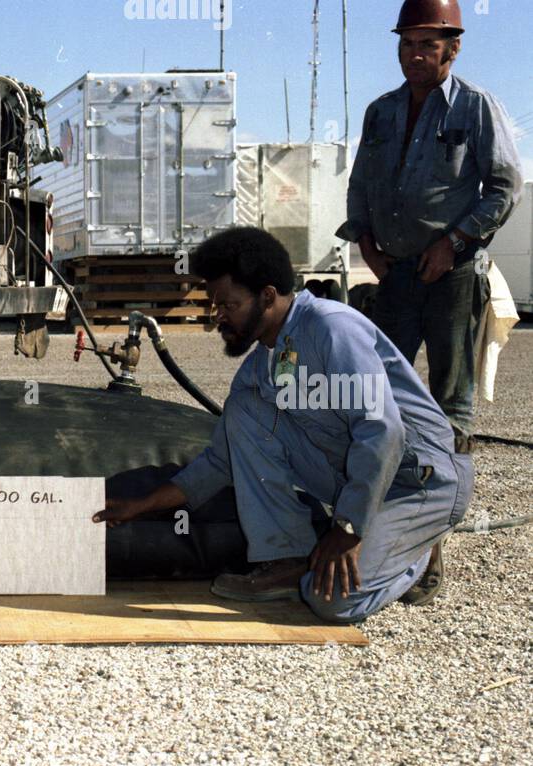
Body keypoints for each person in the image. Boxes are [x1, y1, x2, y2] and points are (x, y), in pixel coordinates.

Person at [93, 227, 473, 622]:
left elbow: (382, 430)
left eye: (228, 305)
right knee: (243, 410)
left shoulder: (332, 328)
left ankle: (418, 553)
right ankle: (286, 558)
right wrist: (141, 506)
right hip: (364, 481)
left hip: (421, 482)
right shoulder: (263, 363)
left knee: (331, 601)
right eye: (215, 306)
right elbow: (219, 463)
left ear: (268, 296)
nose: (217, 317)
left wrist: (346, 529)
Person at [337, 0, 521, 454]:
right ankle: (389, 482)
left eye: (427, 44)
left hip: (452, 274)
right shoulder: (381, 111)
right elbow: (360, 183)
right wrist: (367, 245)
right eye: (406, 43)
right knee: (381, 385)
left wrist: (453, 243)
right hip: (395, 271)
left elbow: (504, 187)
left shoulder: (475, 107)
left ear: (452, 49)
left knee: (451, 394)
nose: (413, 54)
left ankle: (446, 493)